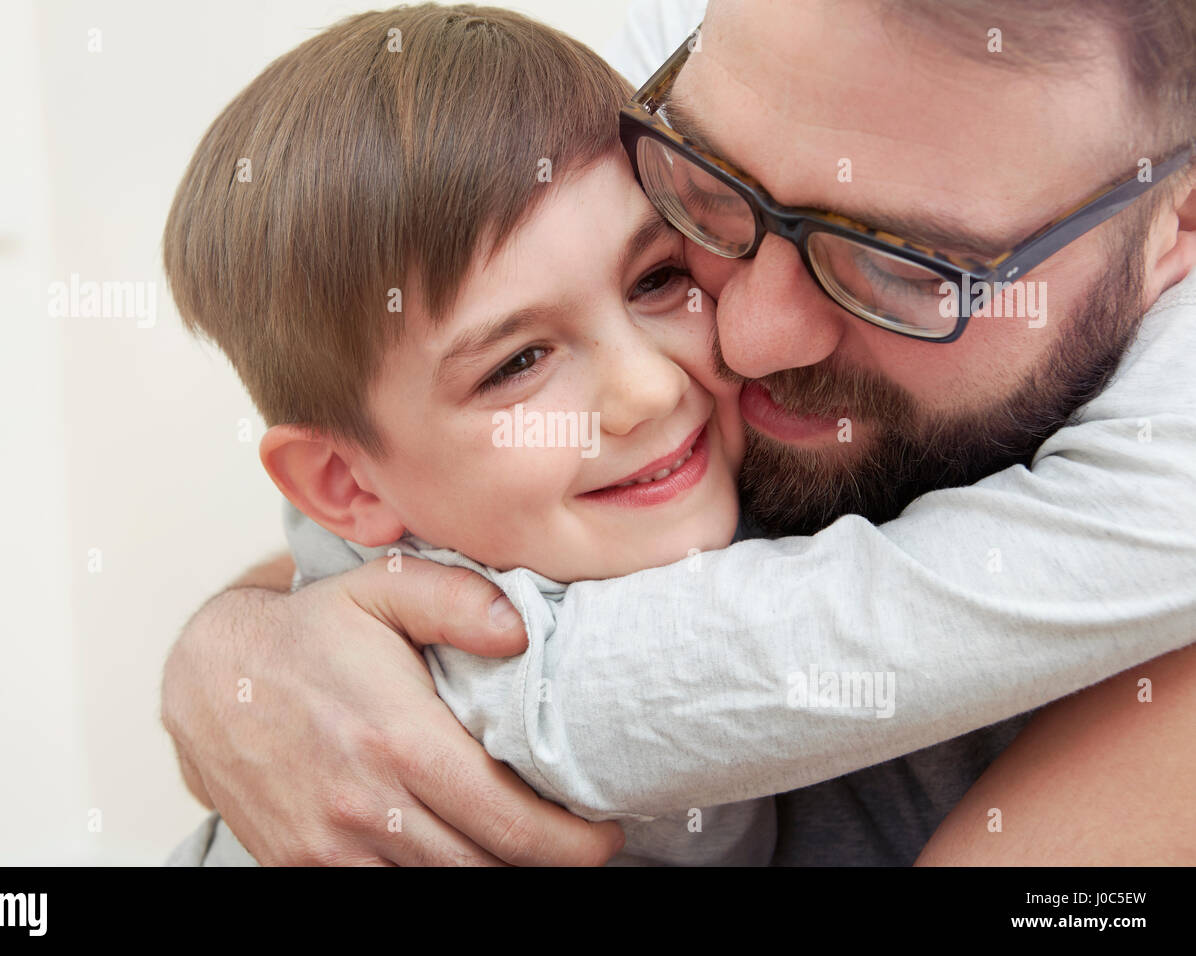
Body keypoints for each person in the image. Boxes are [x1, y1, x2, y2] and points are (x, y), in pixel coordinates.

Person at [161, 0, 1196, 866]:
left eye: (904, 266)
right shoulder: (641, 91)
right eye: (713, 198)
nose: (734, 343)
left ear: (1175, 225)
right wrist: (247, 648)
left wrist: (455, 690)